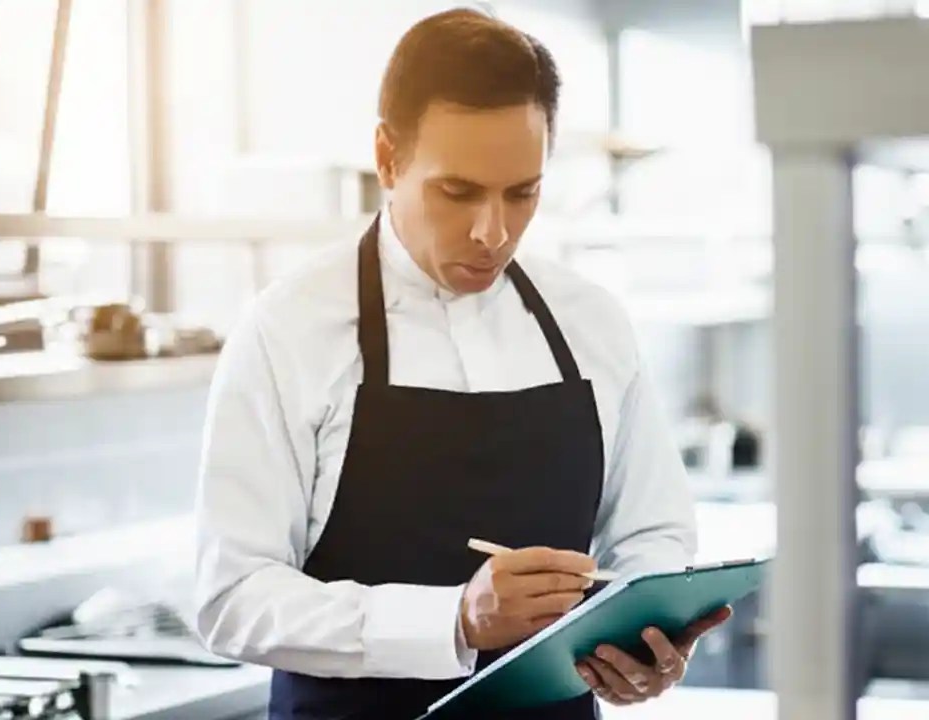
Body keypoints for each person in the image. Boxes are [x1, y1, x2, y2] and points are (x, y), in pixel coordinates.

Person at [193, 8, 730, 719]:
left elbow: (651, 534)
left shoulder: (591, 322)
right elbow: (230, 598)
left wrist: (641, 643)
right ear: (388, 159)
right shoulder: (287, 331)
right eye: (458, 192)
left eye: (522, 192)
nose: (492, 232)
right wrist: (452, 622)